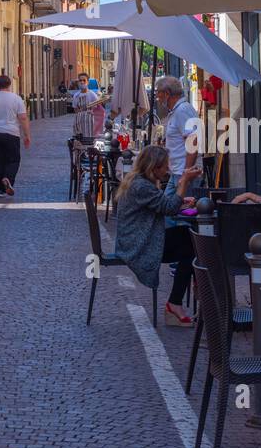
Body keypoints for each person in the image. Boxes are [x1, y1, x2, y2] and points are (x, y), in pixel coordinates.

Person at [114, 143, 203, 326]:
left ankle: (190, 290)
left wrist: (181, 201)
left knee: (189, 239)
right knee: (191, 243)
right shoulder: (141, 186)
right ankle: (177, 303)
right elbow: (168, 208)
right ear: (154, 167)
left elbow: (161, 204)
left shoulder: (139, 181)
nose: (168, 169)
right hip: (138, 245)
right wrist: (184, 181)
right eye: (165, 166)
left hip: (137, 239)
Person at [155, 75, 202, 189]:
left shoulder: (182, 110)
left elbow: (193, 142)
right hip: (177, 172)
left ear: (167, 93)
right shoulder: (177, 111)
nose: (157, 97)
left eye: (158, 93)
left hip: (183, 174)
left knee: (178, 205)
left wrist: (186, 173)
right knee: (168, 205)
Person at [72, 73, 105, 144]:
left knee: (90, 141)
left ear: (87, 82)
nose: (82, 82)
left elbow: (98, 109)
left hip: (90, 122)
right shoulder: (76, 95)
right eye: (80, 80)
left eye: (84, 80)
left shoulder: (92, 95)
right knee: (79, 141)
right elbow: (75, 109)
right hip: (79, 121)